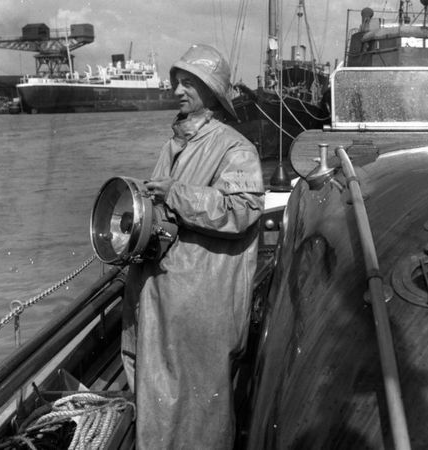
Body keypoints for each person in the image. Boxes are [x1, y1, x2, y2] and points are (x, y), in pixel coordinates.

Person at [121, 44, 265, 449]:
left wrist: (177, 194)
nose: (177, 91)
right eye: (176, 83)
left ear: (213, 90)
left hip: (202, 304)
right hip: (161, 297)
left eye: (188, 83)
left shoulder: (235, 148)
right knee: (158, 398)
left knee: (199, 406)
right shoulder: (174, 145)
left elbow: (243, 209)